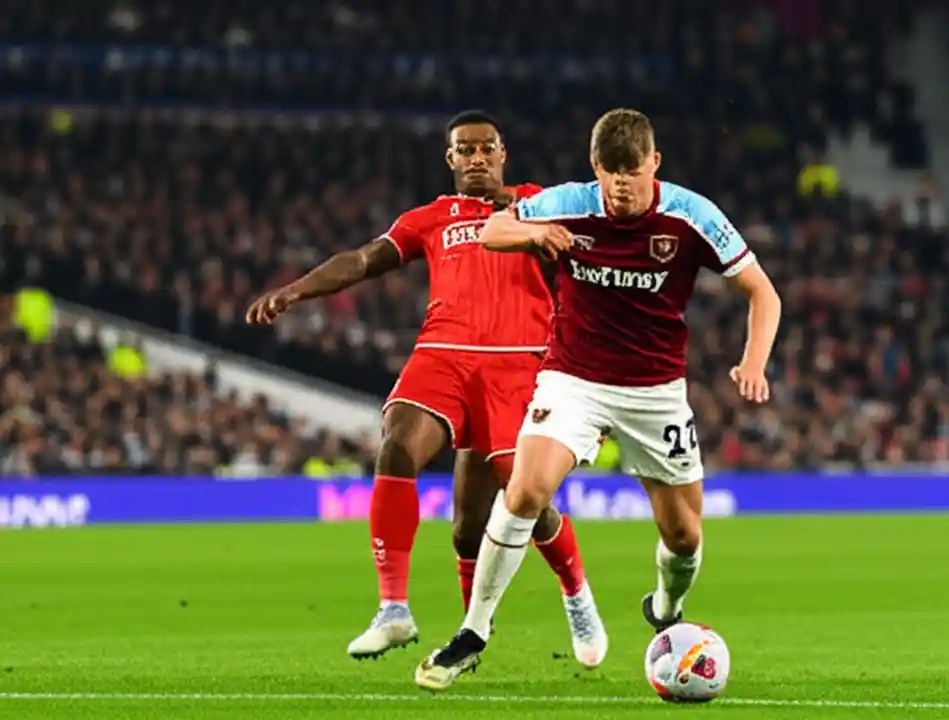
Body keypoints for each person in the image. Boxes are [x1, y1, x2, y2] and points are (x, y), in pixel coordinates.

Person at [415, 108, 781, 690]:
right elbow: (492, 231)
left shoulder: (691, 215)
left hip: (655, 392)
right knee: (527, 489)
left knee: (685, 537)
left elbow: (762, 292)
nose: (620, 187)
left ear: (654, 165)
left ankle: (664, 606)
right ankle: (474, 631)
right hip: (573, 379)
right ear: (595, 169)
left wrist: (754, 361)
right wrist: (535, 232)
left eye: (631, 173)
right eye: (610, 174)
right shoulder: (570, 202)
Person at [244, 110, 607, 668]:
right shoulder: (431, 218)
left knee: (490, 518)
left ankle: (575, 592)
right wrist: (296, 290)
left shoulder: (539, 202)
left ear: (503, 153)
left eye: (487, 147)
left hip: (519, 364)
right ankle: (393, 608)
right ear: (451, 159)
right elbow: (364, 259)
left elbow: (600, 246)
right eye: (466, 149)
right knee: (395, 442)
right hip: (443, 354)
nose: (478, 157)